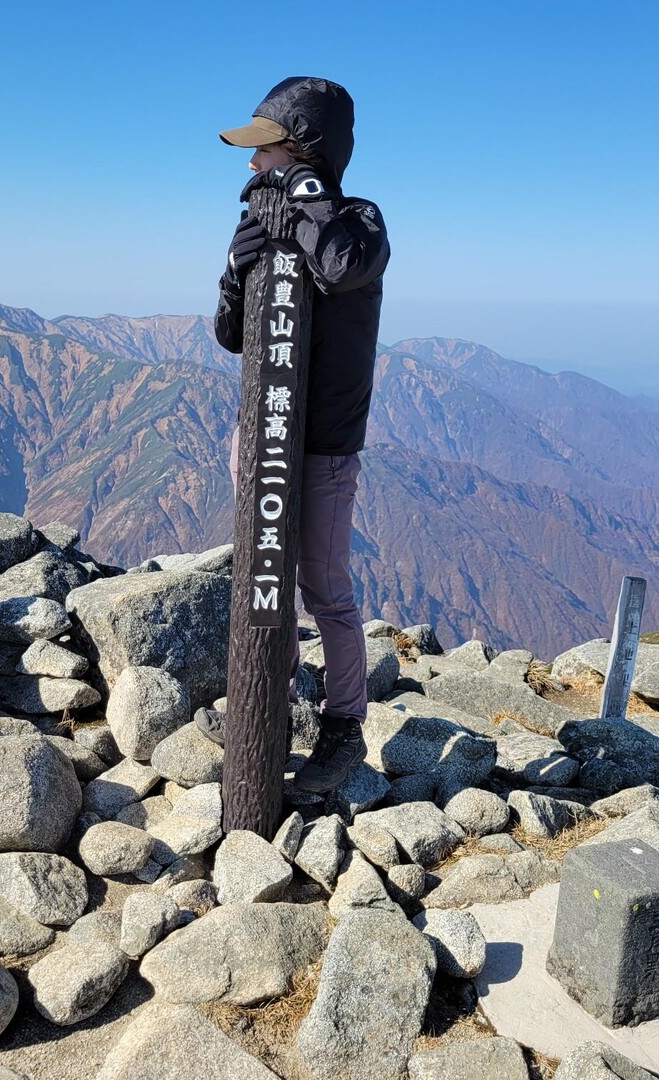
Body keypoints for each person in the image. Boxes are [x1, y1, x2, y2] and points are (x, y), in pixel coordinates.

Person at [195, 76, 390, 794]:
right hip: (263, 435)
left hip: (324, 450)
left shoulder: (359, 221)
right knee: (256, 572)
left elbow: (338, 267)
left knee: (324, 591)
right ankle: (268, 701)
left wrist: (306, 196)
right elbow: (229, 336)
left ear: (305, 152)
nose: (252, 168)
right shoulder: (267, 222)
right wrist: (235, 270)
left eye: (266, 151)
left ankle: (344, 729)